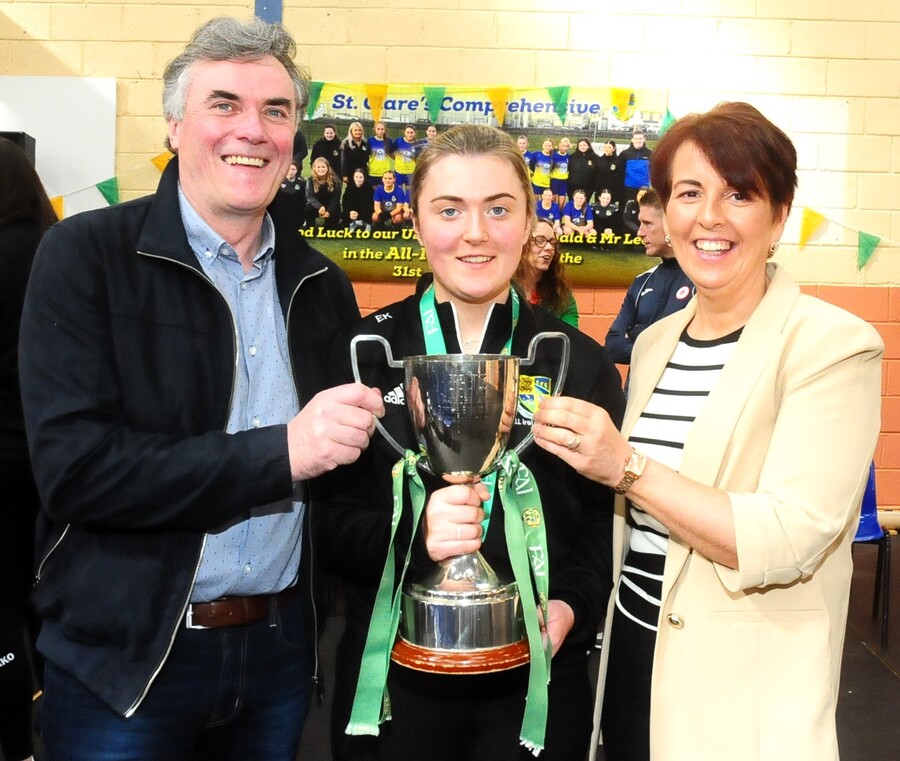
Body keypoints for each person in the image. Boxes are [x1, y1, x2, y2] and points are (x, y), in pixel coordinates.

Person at [18, 17, 384, 761]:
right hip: (128, 663)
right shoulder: (84, 256)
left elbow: (348, 487)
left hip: (280, 656)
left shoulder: (322, 286)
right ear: (176, 123)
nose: (252, 129)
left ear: (294, 138)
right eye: (225, 104)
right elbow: (77, 471)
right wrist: (280, 452)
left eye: (276, 111)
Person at [532, 101, 883, 761]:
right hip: (633, 659)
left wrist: (625, 467)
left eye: (739, 193)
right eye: (689, 193)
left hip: (741, 693)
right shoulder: (659, 339)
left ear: (780, 216)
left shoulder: (834, 345)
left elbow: (785, 538)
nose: (710, 216)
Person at [318, 124, 625, 761]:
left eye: (499, 208)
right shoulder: (361, 356)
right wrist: (412, 534)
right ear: (418, 220)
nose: (476, 233)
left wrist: (573, 603)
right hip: (394, 680)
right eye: (450, 209)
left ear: (531, 219)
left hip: (539, 676)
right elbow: (326, 522)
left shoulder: (579, 364)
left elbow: (602, 519)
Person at [0, 137, 56, 761]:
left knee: (2, 610)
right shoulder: (54, 247)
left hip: (2, 464)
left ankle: (16, 744)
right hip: (50, 463)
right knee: (45, 604)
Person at [605, 188, 693, 371]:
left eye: (647, 223)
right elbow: (613, 345)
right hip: (637, 397)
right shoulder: (642, 282)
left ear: (670, 224)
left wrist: (639, 333)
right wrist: (660, 348)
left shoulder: (701, 281)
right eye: (640, 223)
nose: (640, 232)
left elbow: (692, 348)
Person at [514, 217, 579, 328]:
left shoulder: (561, 293)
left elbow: (570, 338)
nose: (549, 247)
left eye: (552, 242)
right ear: (522, 243)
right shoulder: (502, 290)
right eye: (540, 241)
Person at [305, 156, 342, 229]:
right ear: (314, 168)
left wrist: (329, 211)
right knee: (308, 208)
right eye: (318, 167)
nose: (321, 169)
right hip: (317, 206)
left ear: (327, 168)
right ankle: (310, 226)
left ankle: (330, 223)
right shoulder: (310, 180)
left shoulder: (336, 181)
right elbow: (310, 197)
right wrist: (320, 207)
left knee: (331, 229)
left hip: (330, 206)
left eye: (323, 167)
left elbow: (335, 199)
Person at [619, 128, 652, 205]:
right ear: (632, 140)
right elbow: (620, 172)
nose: (638, 141)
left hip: (645, 188)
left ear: (644, 139)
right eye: (636, 138)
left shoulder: (650, 153)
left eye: (640, 138)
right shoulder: (624, 154)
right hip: (628, 189)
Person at [342, 167, 375, 233]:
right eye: (356, 177)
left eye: (360, 177)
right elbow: (345, 203)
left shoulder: (369, 188)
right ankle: (352, 224)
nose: (358, 179)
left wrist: (359, 213)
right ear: (353, 177)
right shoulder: (349, 188)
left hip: (365, 211)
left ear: (364, 177)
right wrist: (350, 212)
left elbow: (370, 204)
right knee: (343, 213)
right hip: (353, 211)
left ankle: (368, 224)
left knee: (369, 211)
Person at [568, 139, 599, 205]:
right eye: (580, 145)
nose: (582, 147)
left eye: (584, 145)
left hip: (588, 186)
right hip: (573, 186)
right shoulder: (572, 157)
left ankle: (584, 215)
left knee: (584, 204)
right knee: (573, 203)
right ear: (578, 146)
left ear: (588, 146)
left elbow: (597, 172)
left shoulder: (595, 157)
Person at [340, 121, 369, 185]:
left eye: (359, 130)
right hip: (350, 173)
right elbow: (343, 160)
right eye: (355, 130)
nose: (358, 132)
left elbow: (367, 159)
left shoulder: (365, 143)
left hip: (362, 173)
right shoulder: (346, 143)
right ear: (351, 131)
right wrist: (344, 175)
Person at [366, 120, 393, 187]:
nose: (380, 131)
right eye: (378, 129)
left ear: (385, 130)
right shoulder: (370, 140)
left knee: (384, 194)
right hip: (373, 172)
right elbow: (367, 155)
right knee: (374, 195)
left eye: (382, 129)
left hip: (385, 172)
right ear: (374, 129)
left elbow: (392, 154)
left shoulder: (389, 141)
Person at [392, 124, 418, 192]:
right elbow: (391, 153)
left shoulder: (417, 144)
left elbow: (417, 158)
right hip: (399, 171)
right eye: (408, 132)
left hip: (410, 172)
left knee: (409, 193)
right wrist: (397, 160)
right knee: (398, 191)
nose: (409, 134)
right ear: (404, 132)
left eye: (411, 132)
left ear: (415, 133)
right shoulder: (398, 141)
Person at [595, 140, 621, 206]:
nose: (607, 149)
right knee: (599, 208)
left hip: (612, 190)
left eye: (609, 147)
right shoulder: (599, 160)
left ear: (614, 149)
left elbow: (620, 176)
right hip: (600, 190)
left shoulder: (618, 160)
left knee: (610, 210)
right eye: (605, 147)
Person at [550, 136, 571, 212]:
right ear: (559, 145)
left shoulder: (568, 157)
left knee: (561, 204)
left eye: (566, 146)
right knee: (553, 203)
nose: (564, 148)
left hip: (564, 182)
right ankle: (552, 219)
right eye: (563, 146)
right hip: (555, 181)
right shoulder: (554, 155)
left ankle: (559, 219)